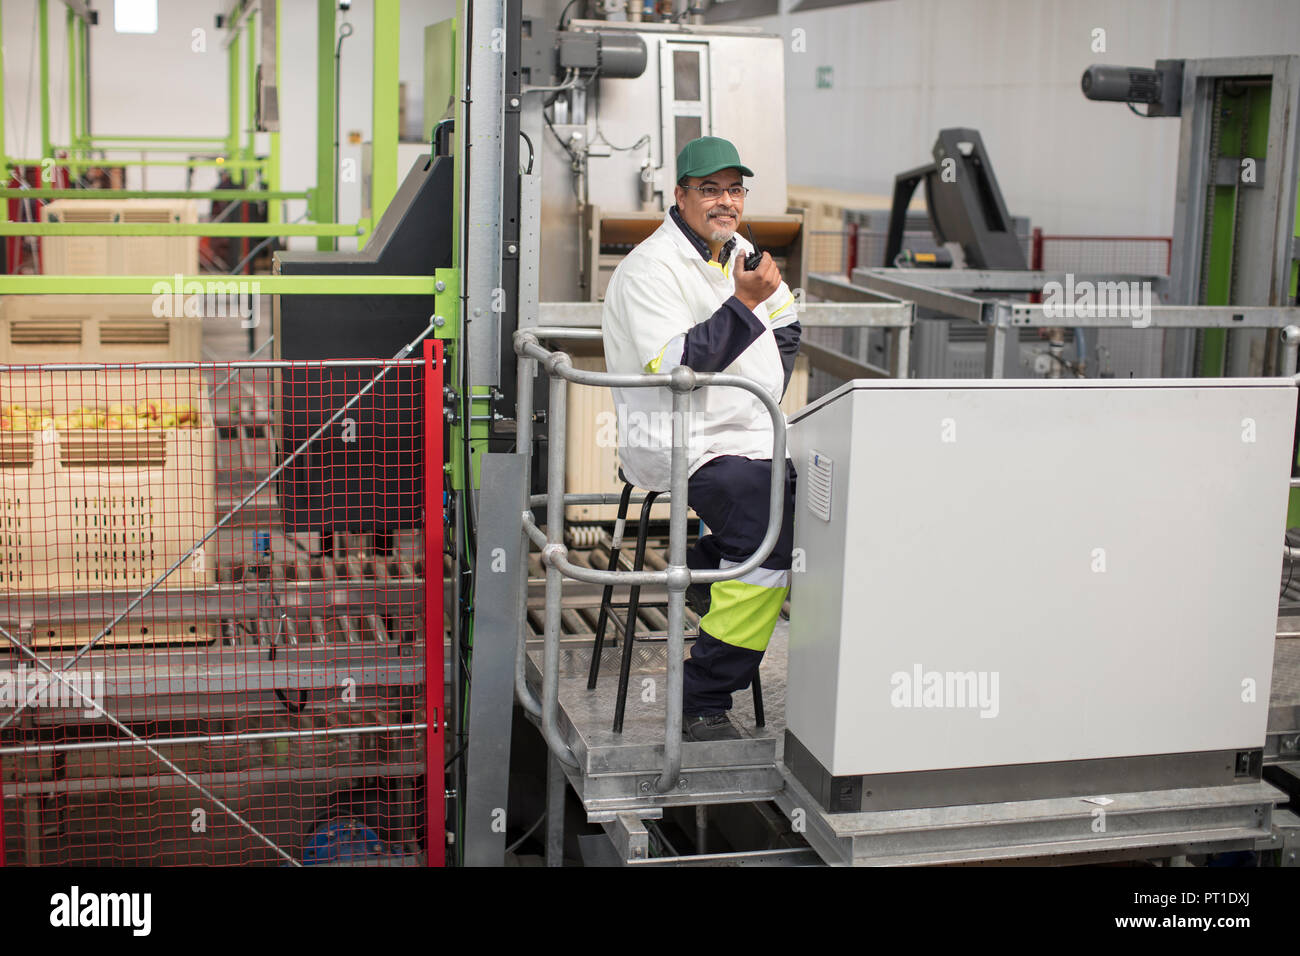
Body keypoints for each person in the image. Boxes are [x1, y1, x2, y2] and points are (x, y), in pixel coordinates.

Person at [601, 136, 800, 742]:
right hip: (679, 437)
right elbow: (676, 369)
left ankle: (705, 574)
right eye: (709, 190)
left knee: (817, 503)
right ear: (680, 196)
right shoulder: (648, 270)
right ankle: (702, 696)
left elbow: (787, 328)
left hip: (747, 430)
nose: (725, 202)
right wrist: (744, 304)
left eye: (735, 189)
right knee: (769, 530)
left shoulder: (743, 254)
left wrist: (755, 390)